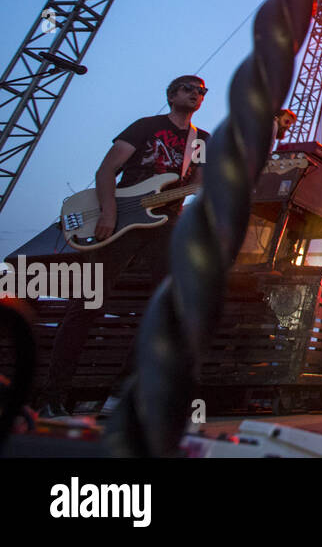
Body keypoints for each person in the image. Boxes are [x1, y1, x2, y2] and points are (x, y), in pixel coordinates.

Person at [39, 75, 209, 417]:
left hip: (165, 226)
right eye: (189, 88)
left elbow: (199, 186)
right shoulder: (145, 126)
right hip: (117, 222)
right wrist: (109, 213)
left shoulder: (202, 140)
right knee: (87, 305)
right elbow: (106, 171)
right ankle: (52, 396)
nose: (196, 95)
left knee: (163, 310)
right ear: (172, 94)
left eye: (202, 92)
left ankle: (120, 395)